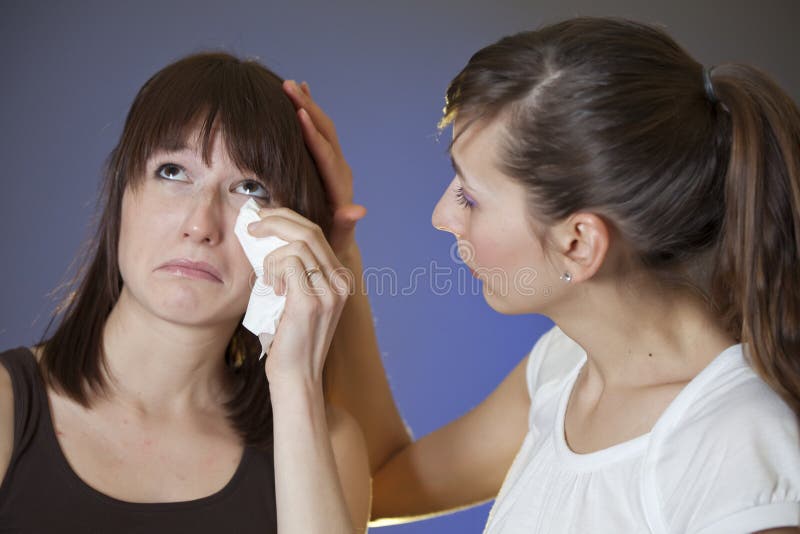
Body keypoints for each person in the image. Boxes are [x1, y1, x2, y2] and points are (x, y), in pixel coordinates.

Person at [289, 17, 800, 533]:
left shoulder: (737, 453)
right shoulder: (565, 366)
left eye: (469, 196)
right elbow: (379, 482)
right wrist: (340, 249)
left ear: (578, 243)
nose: (442, 217)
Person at [0, 52, 370, 533]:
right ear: (122, 194)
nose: (200, 225)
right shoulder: (8, 405)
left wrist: (296, 383)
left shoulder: (329, 443)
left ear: (296, 231)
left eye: (250, 188)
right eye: (173, 172)